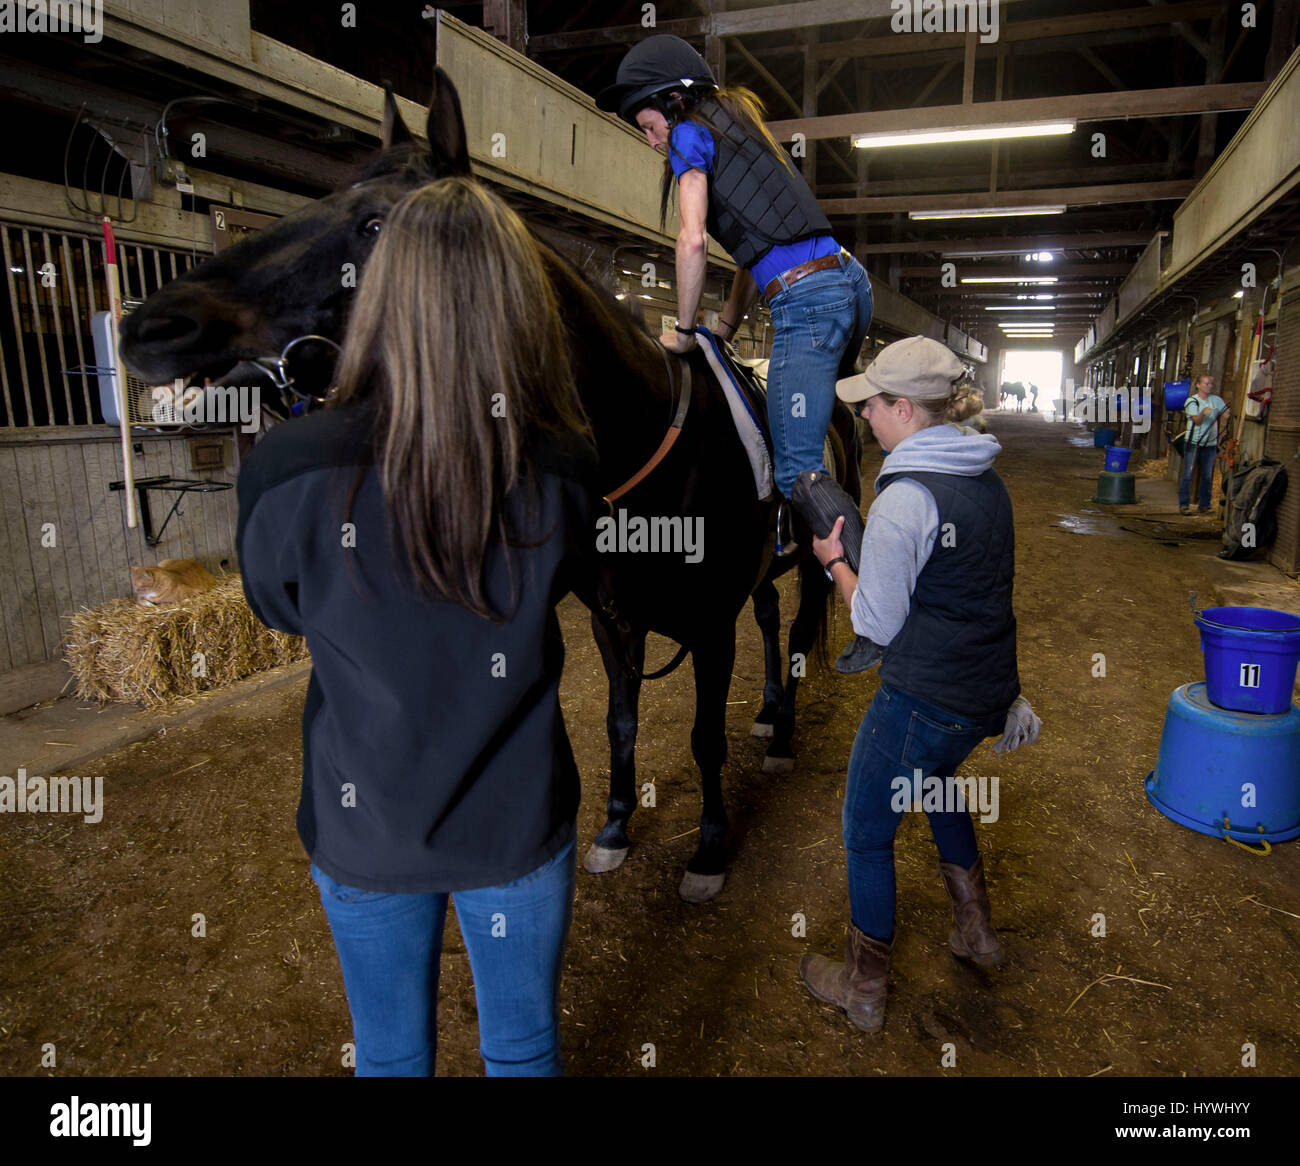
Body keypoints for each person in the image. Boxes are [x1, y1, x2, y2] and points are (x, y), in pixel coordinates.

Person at [236, 177, 600, 1076]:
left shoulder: (286, 466)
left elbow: (278, 606)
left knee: (392, 1058)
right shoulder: (567, 463)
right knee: (523, 1050)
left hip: (366, 825)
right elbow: (569, 580)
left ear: (383, 297)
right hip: (513, 822)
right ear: (518, 306)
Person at [596, 34, 877, 669]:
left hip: (810, 302)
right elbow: (753, 249)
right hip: (845, 283)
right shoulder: (743, 131)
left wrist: (689, 329)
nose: (651, 141)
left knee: (799, 469)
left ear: (671, 102)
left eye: (647, 125)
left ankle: (872, 609)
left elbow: (692, 241)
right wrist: (726, 321)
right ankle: (795, 533)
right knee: (812, 435)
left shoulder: (692, 135)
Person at [801, 336, 1041, 1033]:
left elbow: (876, 619)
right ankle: (976, 932)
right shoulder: (985, 478)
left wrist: (833, 562)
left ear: (903, 409)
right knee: (936, 785)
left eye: (872, 406)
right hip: (987, 693)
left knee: (867, 832)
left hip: (925, 699)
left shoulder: (908, 497)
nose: (865, 419)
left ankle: (863, 986)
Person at [1179, 373, 1227, 515]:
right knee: (1188, 473)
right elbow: (1196, 420)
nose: (1209, 386)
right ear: (1198, 385)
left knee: (1207, 475)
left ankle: (1204, 505)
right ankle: (1184, 505)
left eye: (1211, 383)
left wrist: (1225, 412)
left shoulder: (1216, 400)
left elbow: (1226, 414)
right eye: (1206, 383)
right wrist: (1203, 413)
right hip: (1194, 442)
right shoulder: (1192, 401)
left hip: (1210, 444)